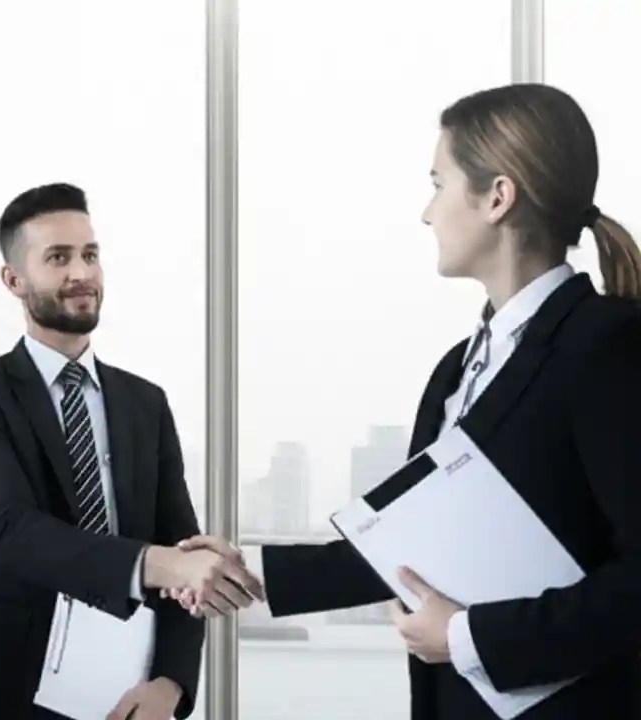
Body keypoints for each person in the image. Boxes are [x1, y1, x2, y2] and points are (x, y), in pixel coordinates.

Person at [167, 83, 641, 719]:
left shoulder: (609, 346)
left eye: (439, 185)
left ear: (497, 197)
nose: (427, 212)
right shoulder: (457, 368)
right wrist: (243, 568)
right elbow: (411, 548)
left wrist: (469, 638)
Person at [0, 182, 264, 720]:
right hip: (0, 689)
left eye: (90, 254)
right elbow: (8, 531)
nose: (81, 273)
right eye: (58, 258)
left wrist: (171, 683)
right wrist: (157, 564)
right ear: (14, 280)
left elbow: (181, 546)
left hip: (124, 695)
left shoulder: (146, 404)